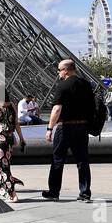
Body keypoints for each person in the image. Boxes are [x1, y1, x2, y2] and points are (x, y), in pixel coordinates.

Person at [42, 58, 94, 202]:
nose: (58, 73)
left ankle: (54, 191)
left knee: (58, 159)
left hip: (65, 127)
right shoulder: (86, 85)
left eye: (59, 70)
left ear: (66, 70)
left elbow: (57, 109)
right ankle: (85, 193)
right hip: (82, 127)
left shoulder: (63, 86)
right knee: (82, 161)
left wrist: (49, 128)